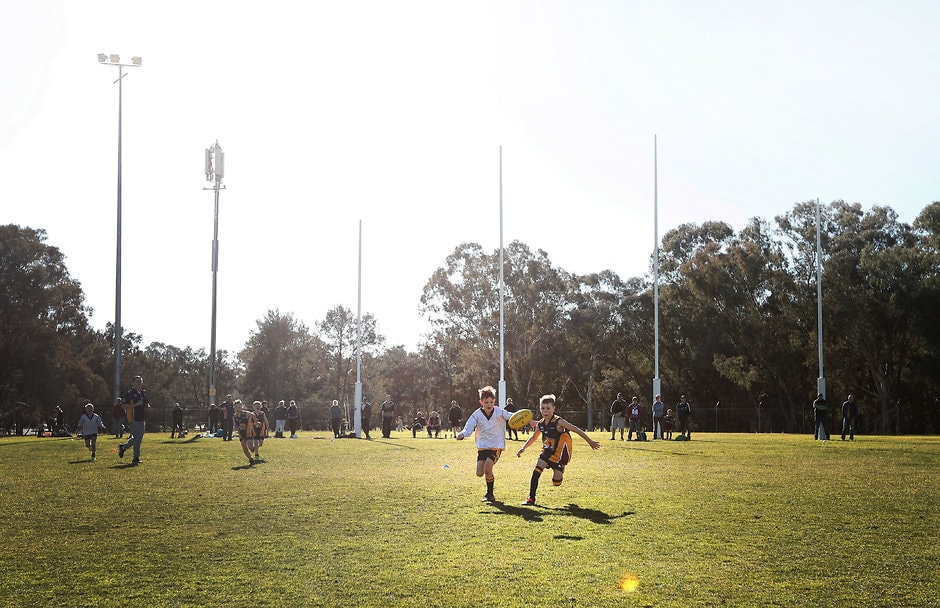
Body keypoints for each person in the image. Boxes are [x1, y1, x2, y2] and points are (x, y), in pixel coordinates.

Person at [517, 393, 600, 506]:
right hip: (546, 453)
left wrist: (590, 441)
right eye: (542, 408)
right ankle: (531, 498)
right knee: (536, 472)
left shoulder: (559, 422)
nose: (545, 411)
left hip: (558, 456)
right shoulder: (540, 424)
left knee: (556, 482)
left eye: (548, 408)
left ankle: (561, 469)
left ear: (553, 409)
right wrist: (523, 448)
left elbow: (575, 429)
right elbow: (533, 437)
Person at [455, 385, 514, 503]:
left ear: (494, 401)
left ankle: (490, 494)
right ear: (481, 402)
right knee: (479, 473)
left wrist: (529, 420)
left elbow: (513, 417)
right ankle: (489, 492)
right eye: (486, 402)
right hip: (482, 447)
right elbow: (468, 427)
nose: (489, 404)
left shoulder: (499, 412)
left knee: (488, 468)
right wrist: (462, 434)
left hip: (496, 446)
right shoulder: (476, 414)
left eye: (491, 402)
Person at [118, 375, 150, 465]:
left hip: (142, 418)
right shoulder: (129, 394)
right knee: (138, 438)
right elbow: (123, 406)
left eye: (140, 381)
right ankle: (136, 458)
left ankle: (123, 447)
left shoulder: (143, 393)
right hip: (133, 418)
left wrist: (147, 406)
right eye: (137, 381)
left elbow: (146, 403)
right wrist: (135, 405)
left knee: (137, 438)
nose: (139, 383)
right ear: (133, 383)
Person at [233, 400, 256, 465]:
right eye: (236, 407)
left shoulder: (246, 413)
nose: (238, 408)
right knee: (245, 449)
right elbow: (235, 425)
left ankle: (253, 448)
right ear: (234, 408)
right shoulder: (235, 416)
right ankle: (251, 459)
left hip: (248, 432)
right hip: (241, 434)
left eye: (239, 406)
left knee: (250, 447)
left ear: (242, 407)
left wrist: (256, 422)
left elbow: (253, 415)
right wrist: (237, 429)